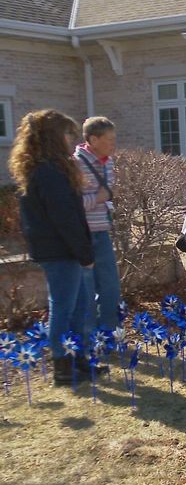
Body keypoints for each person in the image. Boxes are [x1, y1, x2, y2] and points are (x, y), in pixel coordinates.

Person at [10, 110, 96, 385]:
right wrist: (84, 253)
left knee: (80, 306)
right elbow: (64, 218)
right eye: (68, 133)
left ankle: (80, 360)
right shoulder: (47, 172)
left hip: (65, 250)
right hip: (60, 252)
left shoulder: (53, 168)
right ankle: (62, 366)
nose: (72, 139)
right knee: (64, 307)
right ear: (54, 138)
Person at [75, 116, 121, 335]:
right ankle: (89, 338)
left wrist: (106, 199)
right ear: (93, 140)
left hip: (102, 232)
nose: (113, 144)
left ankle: (109, 335)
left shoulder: (108, 162)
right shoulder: (74, 165)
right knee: (87, 289)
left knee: (111, 286)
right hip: (82, 236)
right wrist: (98, 198)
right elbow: (70, 205)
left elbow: (107, 193)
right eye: (109, 139)